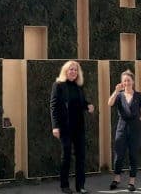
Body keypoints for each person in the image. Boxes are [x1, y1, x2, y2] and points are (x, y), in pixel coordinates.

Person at [50, 61, 95, 194]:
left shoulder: (78, 86)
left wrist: (88, 106)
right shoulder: (58, 85)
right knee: (66, 156)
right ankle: (64, 186)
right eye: (71, 69)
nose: (73, 72)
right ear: (65, 71)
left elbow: (81, 103)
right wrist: (55, 127)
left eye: (75, 70)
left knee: (81, 156)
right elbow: (53, 107)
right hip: (65, 127)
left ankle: (80, 186)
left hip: (79, 127)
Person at [108, 70, 141, 192]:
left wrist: (138, 119)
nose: (127, 82)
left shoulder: (139, 96)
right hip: (121, 128)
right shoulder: (119, 95)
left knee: (133, 155)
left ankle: (131, 182)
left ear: (133, 81)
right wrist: (116, 91)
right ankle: (116, 179)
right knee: (119, 155)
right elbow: (109, 103)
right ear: (122, 82)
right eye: (124, 80)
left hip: (135, 129)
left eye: (129, 80)